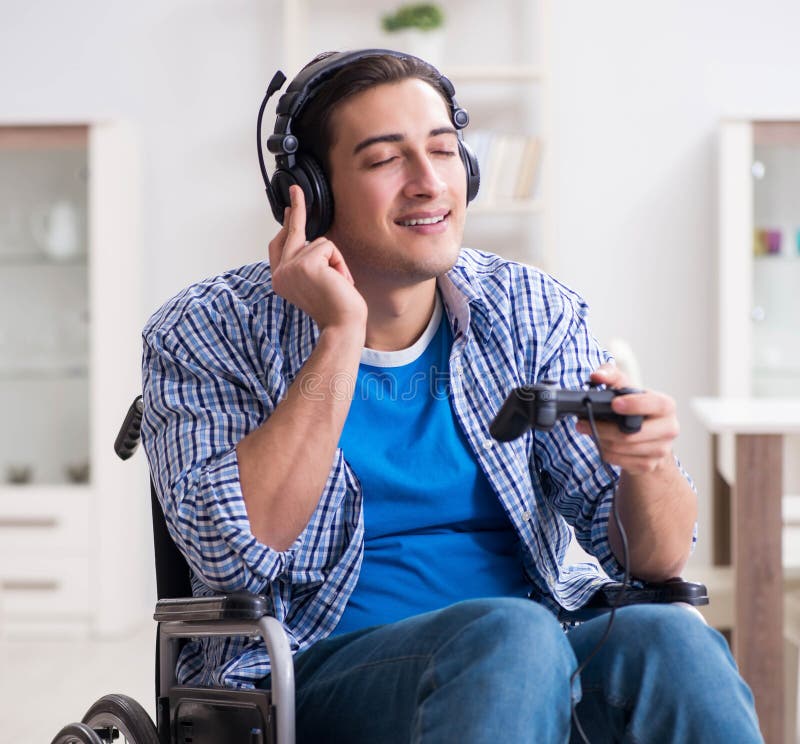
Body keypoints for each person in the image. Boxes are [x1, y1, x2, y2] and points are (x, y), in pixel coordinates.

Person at [141, 49, 762, 743]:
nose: (429, 183)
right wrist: (341, 333)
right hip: (318, 676)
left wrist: (646, 466)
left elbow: (655, 563)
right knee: (509, 634)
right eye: (384, 161)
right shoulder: (207, 327)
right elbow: (235, 552)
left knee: (672, 641)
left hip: (537, 653)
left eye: (443, 151)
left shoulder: (529, 309)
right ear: (308, 194)